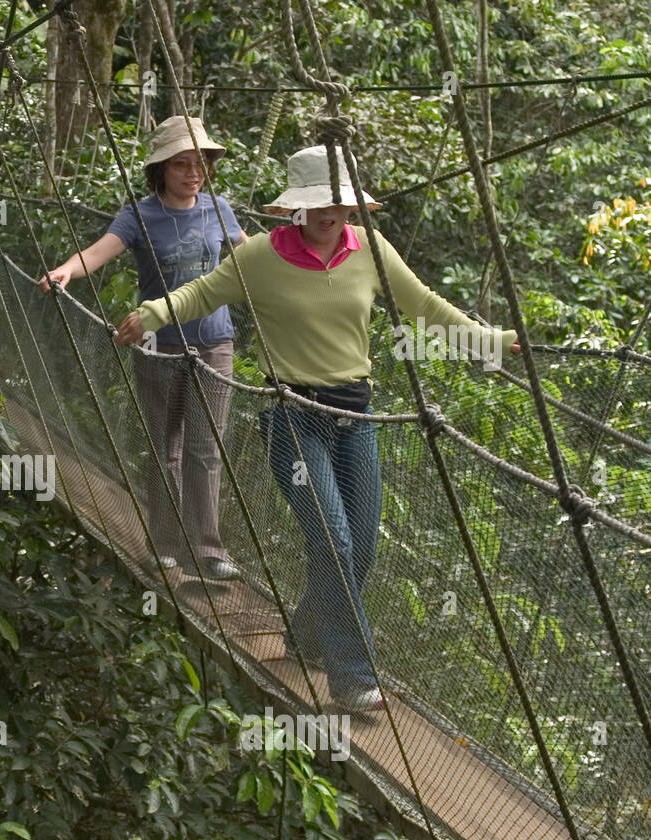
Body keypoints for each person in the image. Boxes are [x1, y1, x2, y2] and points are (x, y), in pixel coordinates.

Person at [114, 144, 518, 711]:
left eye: (340, 204)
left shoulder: (370, 250)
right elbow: (203, 292)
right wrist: (153, 313)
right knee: (332, 540)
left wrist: (492, 343)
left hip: (356, 417)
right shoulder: (259, 257)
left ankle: (305, 636)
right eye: (319, 204)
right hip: (294, 418)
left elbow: (423, 304)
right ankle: (352, 677)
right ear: (295, 209)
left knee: (363, 546)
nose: (330, 215)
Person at [39, 116, 248, 582]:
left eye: (201, 163)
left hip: (215, 343)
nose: (193, 173)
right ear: (162, 169)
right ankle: (166, 546)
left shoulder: (219, 210)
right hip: (158, 345)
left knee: (205, 448)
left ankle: (210, 550)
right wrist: (65, 271)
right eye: (182, 163)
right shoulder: (139, 215)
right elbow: (97, 252)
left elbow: (252, 258)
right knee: (164, 447)